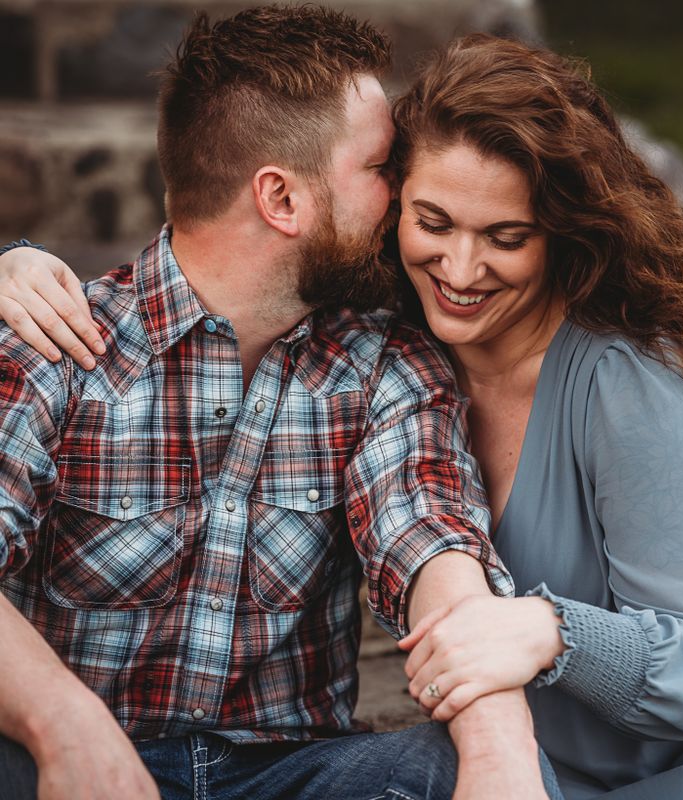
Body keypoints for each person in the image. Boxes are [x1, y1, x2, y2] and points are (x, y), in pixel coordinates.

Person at [0, 33, 683, 800]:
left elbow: (434, 543)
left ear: (560, 233)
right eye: (420, 207)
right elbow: (209, 273)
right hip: (570, 756)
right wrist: (16, 261)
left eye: (506, 237)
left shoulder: (620, 383)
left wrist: (523, 687)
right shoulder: (364, 320)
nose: (462, 266)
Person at [0, 10, 560, 800]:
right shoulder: (55, 341)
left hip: (284, 772)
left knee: (440, 771)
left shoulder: (382, 362)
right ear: (282, 199)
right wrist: (66, 726)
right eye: (380, 166)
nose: (405, 194)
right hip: (72, 761)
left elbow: (432, 540)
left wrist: (502, 760)